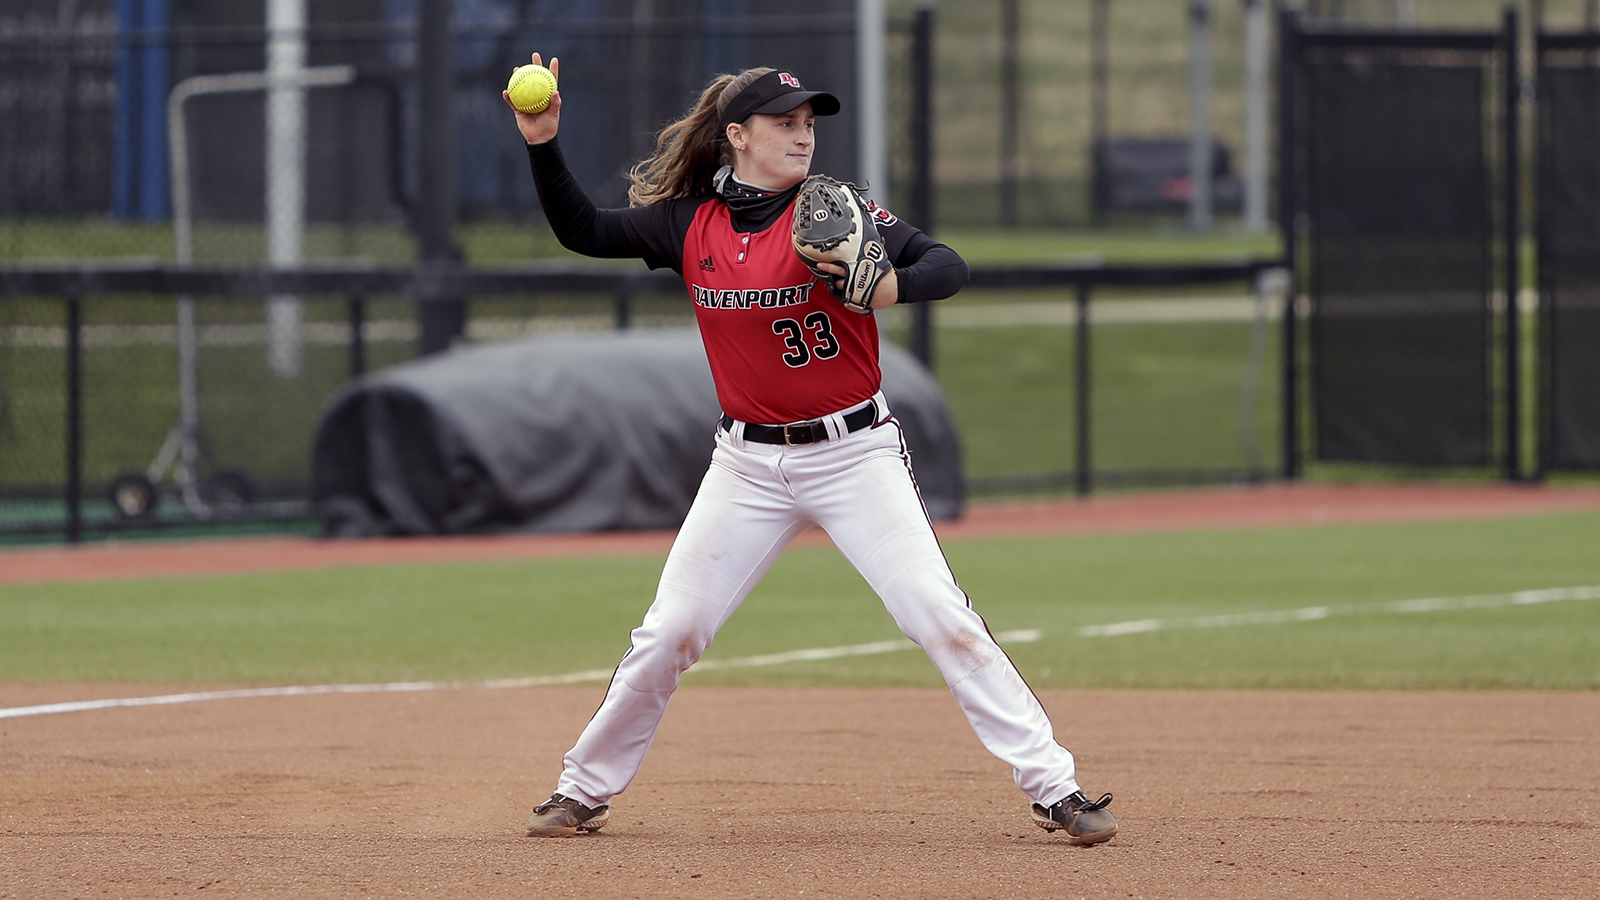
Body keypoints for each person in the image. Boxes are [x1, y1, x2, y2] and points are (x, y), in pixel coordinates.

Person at [504, 54, 1116, 846]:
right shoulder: (690, 223)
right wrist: (542, 141)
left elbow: (947, 265)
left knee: (938, 614)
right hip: (746, 467)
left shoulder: (834, 211)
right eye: (783, 123)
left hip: (855, 455)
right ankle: (581, 790)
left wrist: (889, 285)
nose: (803, 135)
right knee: (671, 631)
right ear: (736, 137)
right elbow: (583, 230)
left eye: (808, 123)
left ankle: (1056, 789)